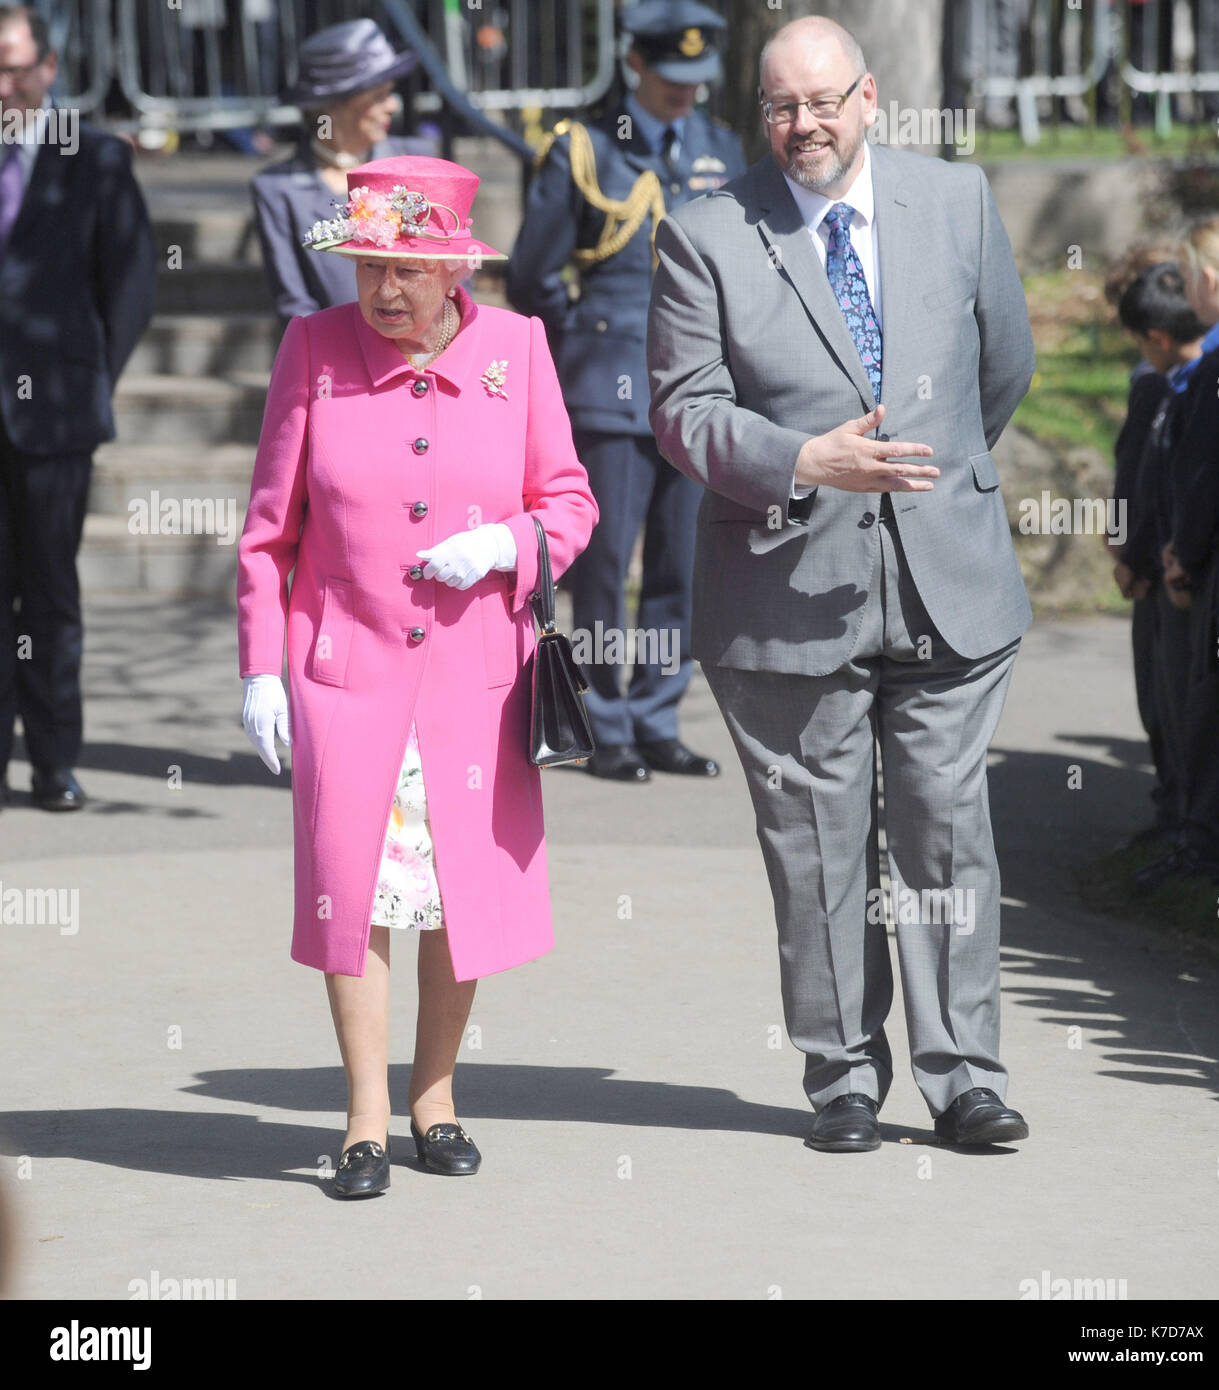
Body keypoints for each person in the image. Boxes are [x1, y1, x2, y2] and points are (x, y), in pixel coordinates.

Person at [647, 15, 1035, 1151]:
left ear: (869, 98)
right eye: (779, 107)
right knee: (816, 843)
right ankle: (842, 1081)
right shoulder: (706, 233)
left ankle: (963, 1074)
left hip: (944, 584)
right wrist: (798, 461)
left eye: (822, 102)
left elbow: (999, 369)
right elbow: (681, 408)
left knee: (944, 827)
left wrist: (931, 489)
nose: (802, 125)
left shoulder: (955, 204)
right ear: (754, 114)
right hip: (784, 594)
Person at [236, 156, 597, 1198]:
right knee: (355, 896)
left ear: (453, 270)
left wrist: (505, 546)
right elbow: (268, 535)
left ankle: (434, 1097)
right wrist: (263, 665)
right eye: (367, 267)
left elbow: (570, 503)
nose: (384, 289)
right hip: (346, 678)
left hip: (475, 683)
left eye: (405, 267)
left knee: (455, 898)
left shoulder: (517, 349)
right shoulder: (311, 349)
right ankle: (361, 1118)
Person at [506, 0, 745, 782]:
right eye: (670, 75)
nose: (685, 93)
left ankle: (656, 715)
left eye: (695, 77)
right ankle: (601, 719)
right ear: (634, 62)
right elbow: (533, 272)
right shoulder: (583, 148)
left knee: (680, 564)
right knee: (602, 566)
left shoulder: (719, 146)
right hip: (605, 388)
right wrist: (577, 341)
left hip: (696, 388)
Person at [0, 3, 156, 812]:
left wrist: (90, 376)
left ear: (50, 69)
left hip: (55, 413)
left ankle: (53, 761)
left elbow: (130, 288)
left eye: (15, 67)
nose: (4, 85)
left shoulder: (92, 159)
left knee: (51, 591)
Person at [1136, 215, 1219, 893]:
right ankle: (1201, 840)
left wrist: (1191, 550)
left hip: (1217, 578)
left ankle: (1209, 845)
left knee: (1210, 715)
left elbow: (1207, 471)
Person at [250, 18, 439, 327]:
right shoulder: (277, 188)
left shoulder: (418, 163)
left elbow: (452, 281)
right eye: (377, 96)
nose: (392, 105)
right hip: (332, 365)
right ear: (332, 106)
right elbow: (294, 307)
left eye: (390, 92)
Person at [1108, 263, 1207, 844]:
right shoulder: (1160, 384)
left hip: (1174, 571)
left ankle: (1195, 829)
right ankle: (1174, 813)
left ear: (1158, 338)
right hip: (1156, 564)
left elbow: (1165, 483)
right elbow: (1134, 476)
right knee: (1161, 701)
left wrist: (1139, 556)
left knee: (1180, 702)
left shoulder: (1184, 385)